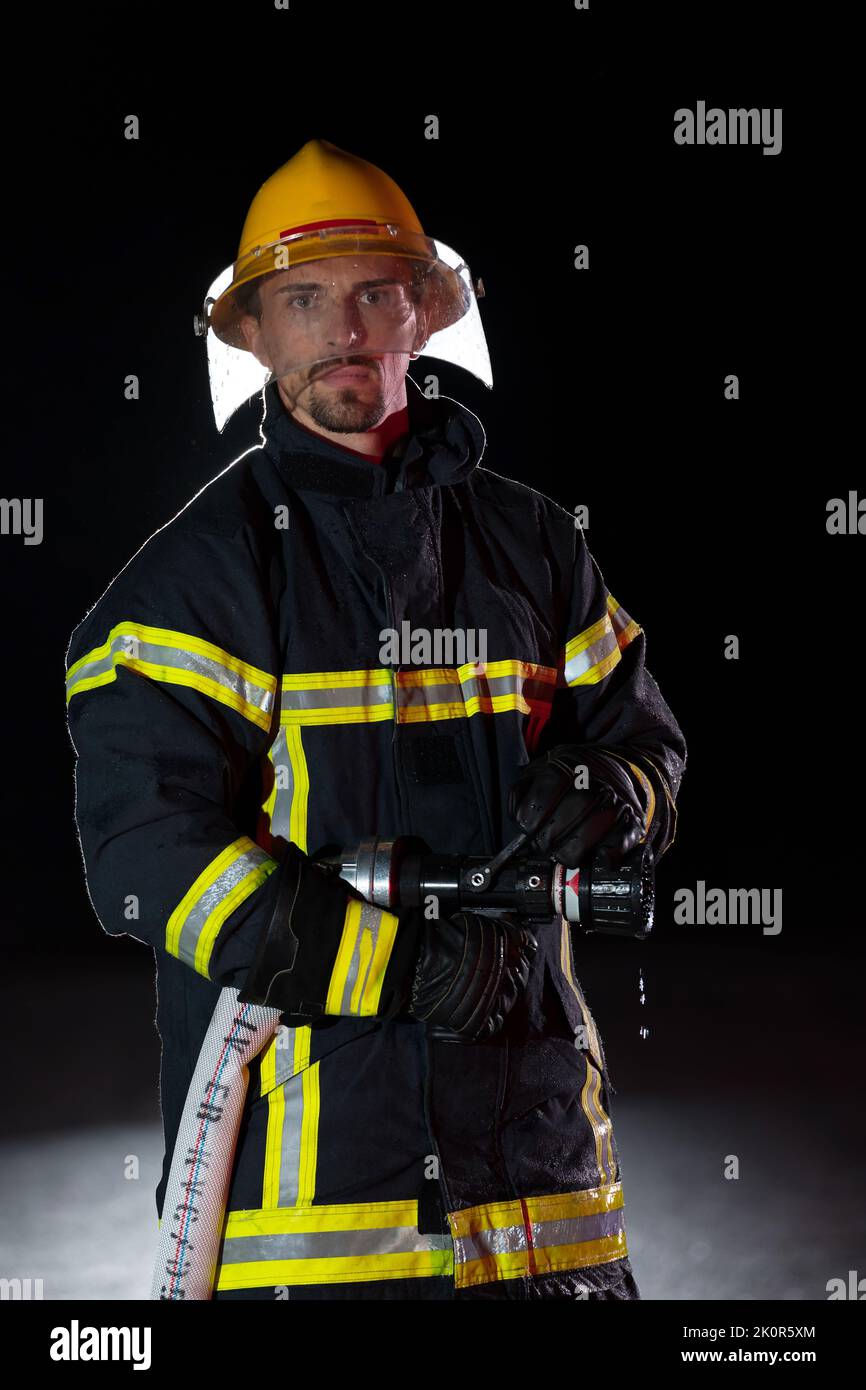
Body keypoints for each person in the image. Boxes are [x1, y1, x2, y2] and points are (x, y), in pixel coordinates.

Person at [64, 138, 687, 1300]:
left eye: (371, 295)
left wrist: (613, 794)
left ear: (421, 317)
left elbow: (644, 741)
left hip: (549, 1197)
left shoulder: (533, 545)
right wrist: (392, 968)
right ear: (251, 333)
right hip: (313, 1225)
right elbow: (146, 862)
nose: (340, 330)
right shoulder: (190, 589)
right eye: (302, 300)